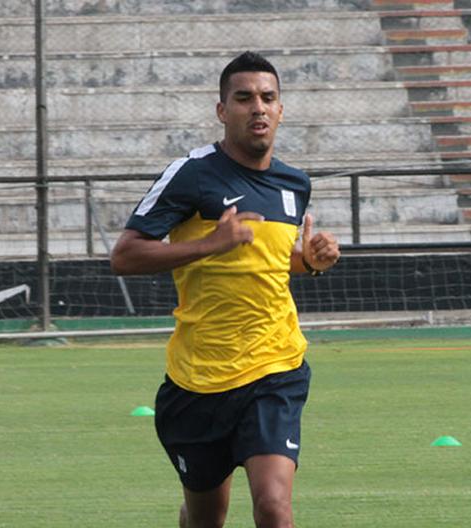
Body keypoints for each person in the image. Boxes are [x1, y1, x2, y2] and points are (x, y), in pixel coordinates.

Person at [110, 51, 340, 528]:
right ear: (222, 110)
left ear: (281, 109)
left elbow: (269, 263)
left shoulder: (295, 185)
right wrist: (210, 244)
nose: (257, 107)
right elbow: (125, 255)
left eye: (267, 97)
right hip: (199, 380)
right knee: (204, 518)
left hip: (275, 368)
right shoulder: (192, 174)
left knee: (274, 507)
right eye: (244, 98)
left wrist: (309, 264)